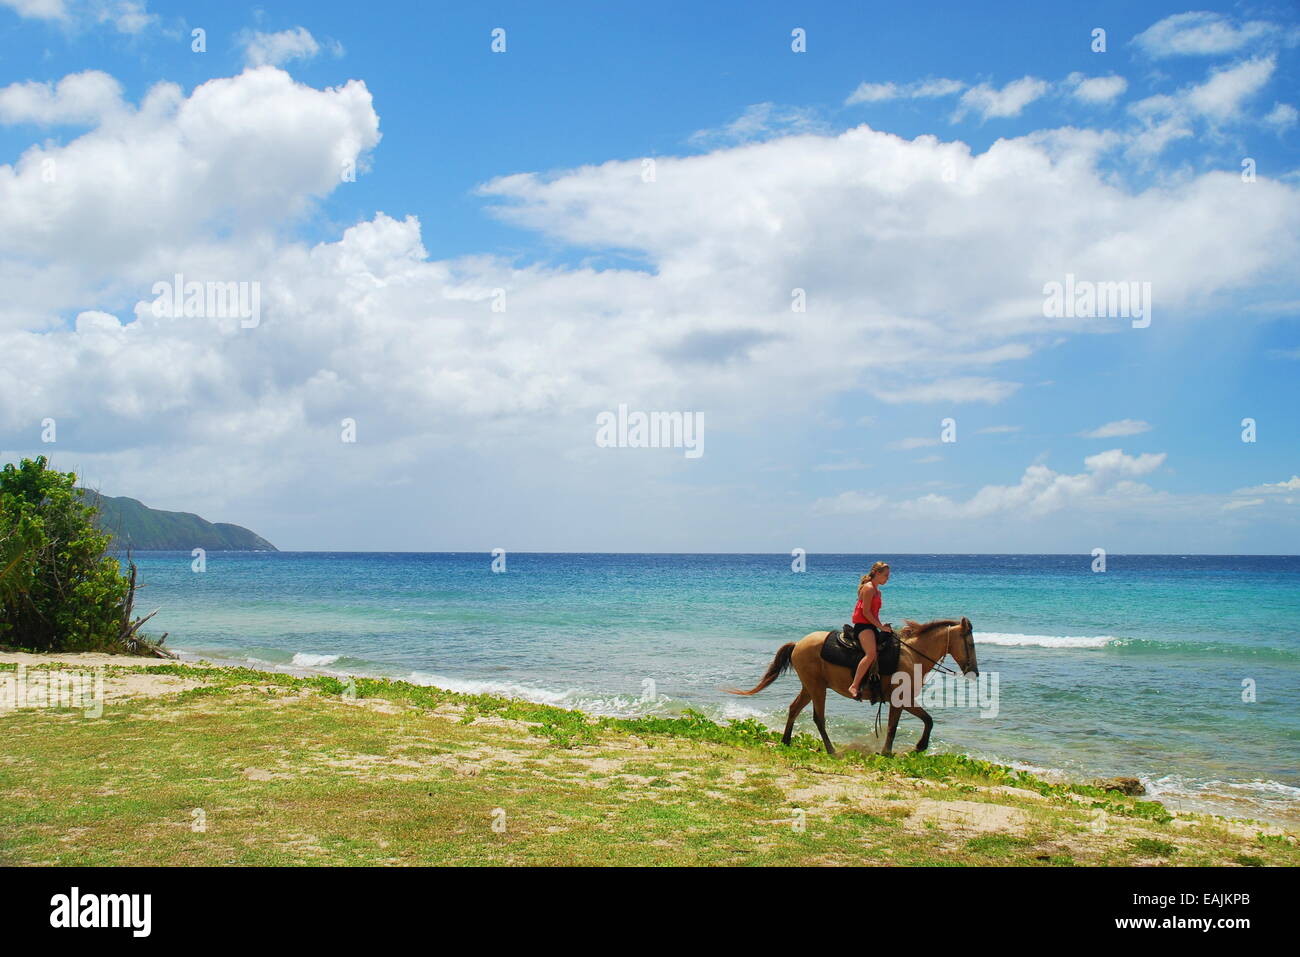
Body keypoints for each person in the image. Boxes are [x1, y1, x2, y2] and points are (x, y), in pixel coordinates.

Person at [846, 561, 892, 700]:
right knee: (871, 654)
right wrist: (880, 627)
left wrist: (882, 625)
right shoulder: (869, 588)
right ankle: (854, 685)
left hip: (871, 625)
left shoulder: (878, 591)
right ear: (877, 574)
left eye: (888, 575)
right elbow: (865, 612)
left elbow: (874, 613)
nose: (887, 578)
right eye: (885, 575)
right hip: (863, 626)